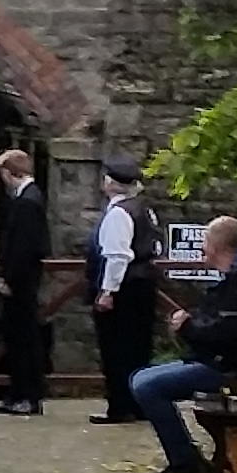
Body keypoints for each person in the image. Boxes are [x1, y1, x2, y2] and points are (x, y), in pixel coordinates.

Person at [131, 215, 237, 473]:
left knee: (147, 386)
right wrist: (192, 325)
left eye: (204, 242)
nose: (202, 249)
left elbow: (228, 335)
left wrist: (187, 327)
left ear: (215, 246)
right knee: (139, 379)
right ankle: (186, 459)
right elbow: (221, 324)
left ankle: (185, 463)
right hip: (225, 361)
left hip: (233, 370)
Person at [0, 141, 55, 414]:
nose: (2, 180)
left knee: (23, 338)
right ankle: (18, 394)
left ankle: (27, 396)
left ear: (10, 172)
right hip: (23, 280)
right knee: (18, 338)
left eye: (2, 173)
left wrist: (8, 279)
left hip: (21, 283)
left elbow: (24, 248)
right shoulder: (30, 198)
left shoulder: (27, 202)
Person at [89, 166, 156, 421]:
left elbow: (117, 256)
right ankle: (138, 403)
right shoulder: (143, 208)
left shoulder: (119, 213)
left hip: (124, 288)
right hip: (142, 285)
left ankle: (120, 405)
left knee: (116, 349)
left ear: (110, 183)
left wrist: (107, 290)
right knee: (138, 348)